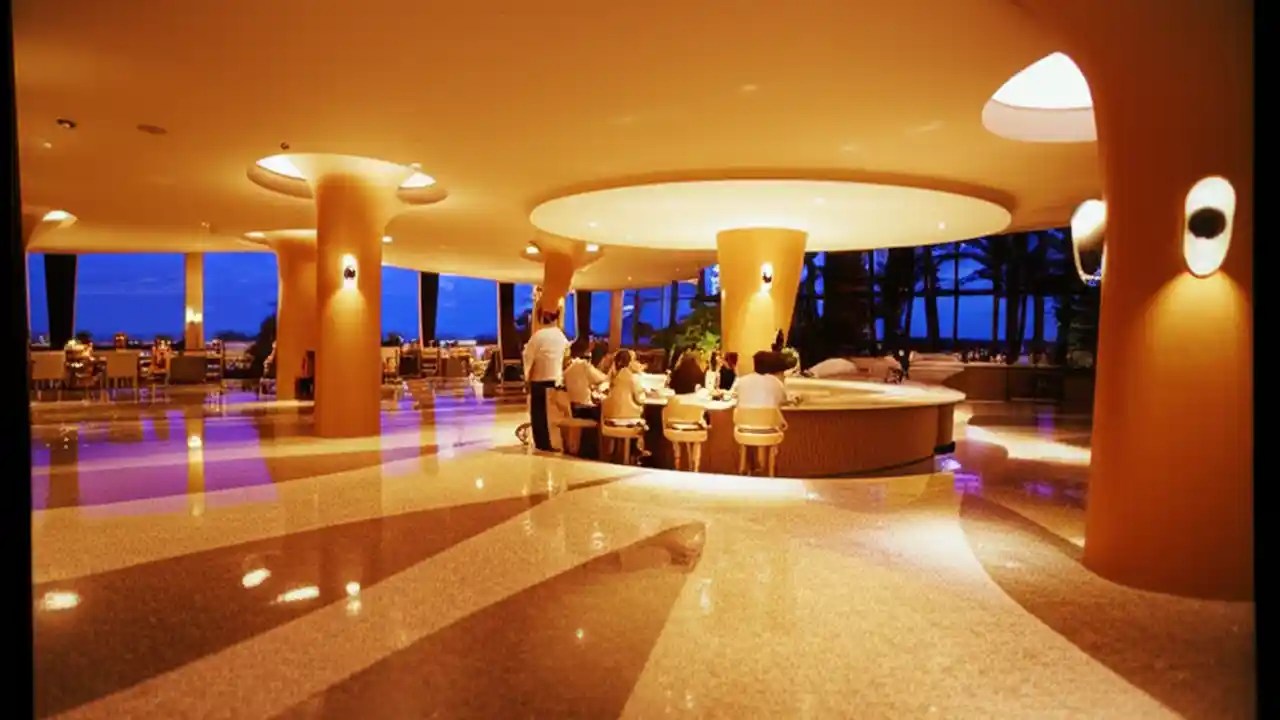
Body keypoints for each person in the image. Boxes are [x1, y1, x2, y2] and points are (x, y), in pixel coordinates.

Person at [522, 309, 570, 451]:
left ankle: (542, 444)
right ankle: (554, 442)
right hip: (556, 379)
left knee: (538, 415)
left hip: (539, 380)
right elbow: (566, 357)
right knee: (553, 414)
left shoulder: (537, 336)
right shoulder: (561, 336)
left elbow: (528, 357)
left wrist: (526, 378)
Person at [564, 336, 608, 419]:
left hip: (571, 407)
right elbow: (601, 378)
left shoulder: (568, 367)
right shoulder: (583, 365)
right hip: (584, 408)